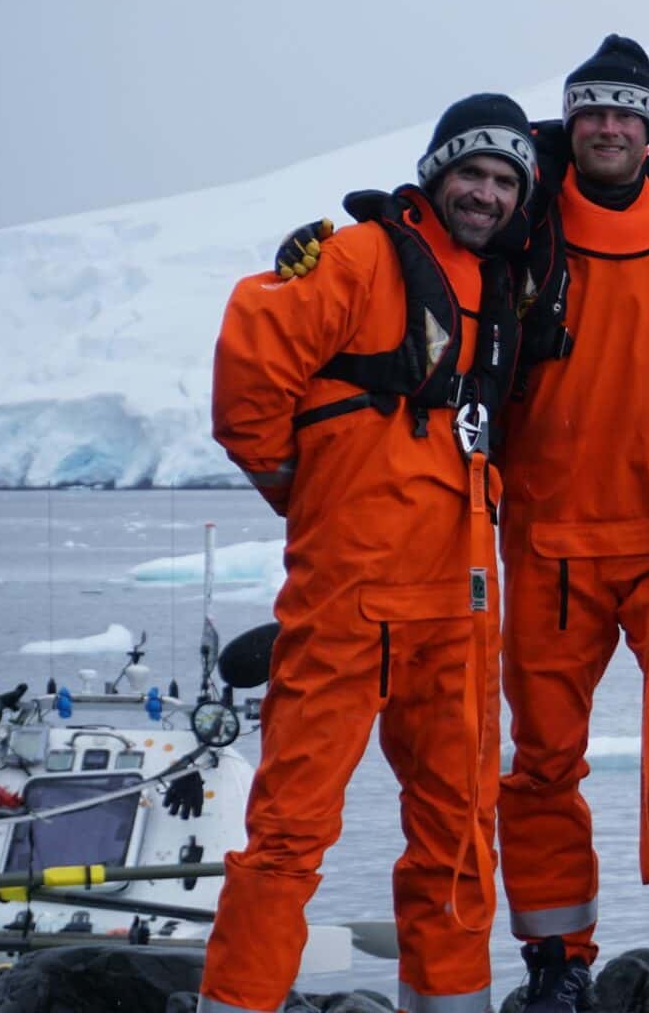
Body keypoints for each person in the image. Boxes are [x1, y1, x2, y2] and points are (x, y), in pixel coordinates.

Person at [205, 93, 534, 1013]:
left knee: (462, 838)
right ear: (436, 173)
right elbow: (248, 377)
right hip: (350, 602)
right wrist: (304, 489)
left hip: (458, 609)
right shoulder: (356, 257)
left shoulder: (499, 288)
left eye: (505, 180)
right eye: (471, 170)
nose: (485, 192)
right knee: (287, 833)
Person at [493, 36, 649, 1011]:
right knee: (543, 763)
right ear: (574, 121)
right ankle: (558, 960)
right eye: (591, 110)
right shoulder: (527, 210)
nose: (607, 126)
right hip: (548, 541)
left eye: (624, 111)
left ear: (648, 124)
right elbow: (444, 221)